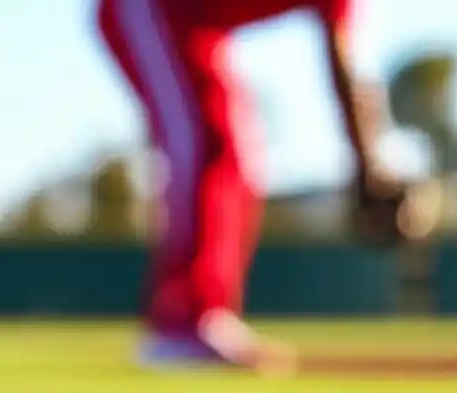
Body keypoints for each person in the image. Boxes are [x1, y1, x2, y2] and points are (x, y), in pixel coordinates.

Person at [96, 0, 421, 373]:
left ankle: (209, 316)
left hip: (198, 26)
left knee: (235, 154)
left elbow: (344, 60)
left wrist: (369, 168)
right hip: (147, 8)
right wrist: (367, 168)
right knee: (203, 144)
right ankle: (181, 321)